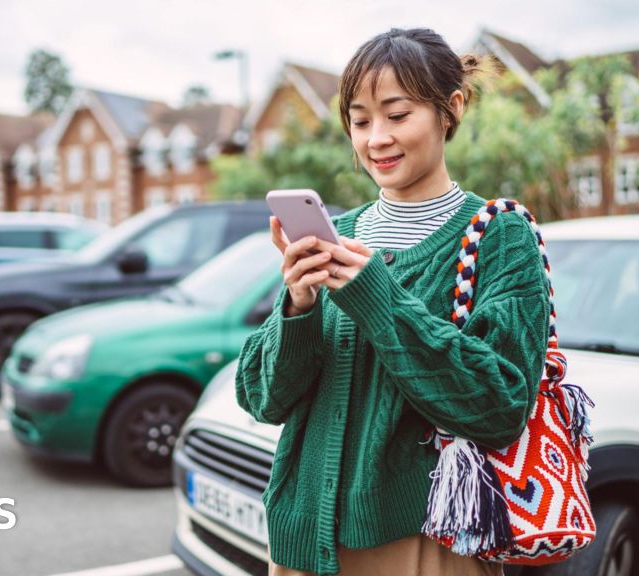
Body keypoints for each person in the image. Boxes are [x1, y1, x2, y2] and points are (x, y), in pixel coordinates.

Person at [235, 27, 551, 576]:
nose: (376, 138)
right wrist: (299, 307)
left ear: (449, 109)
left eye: (398, 115)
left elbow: (500, 406)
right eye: (360, 121)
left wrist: (377, 297)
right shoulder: (338, 233)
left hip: (423, 542)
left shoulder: (499, 235)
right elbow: (262, 399)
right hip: (302, 541)